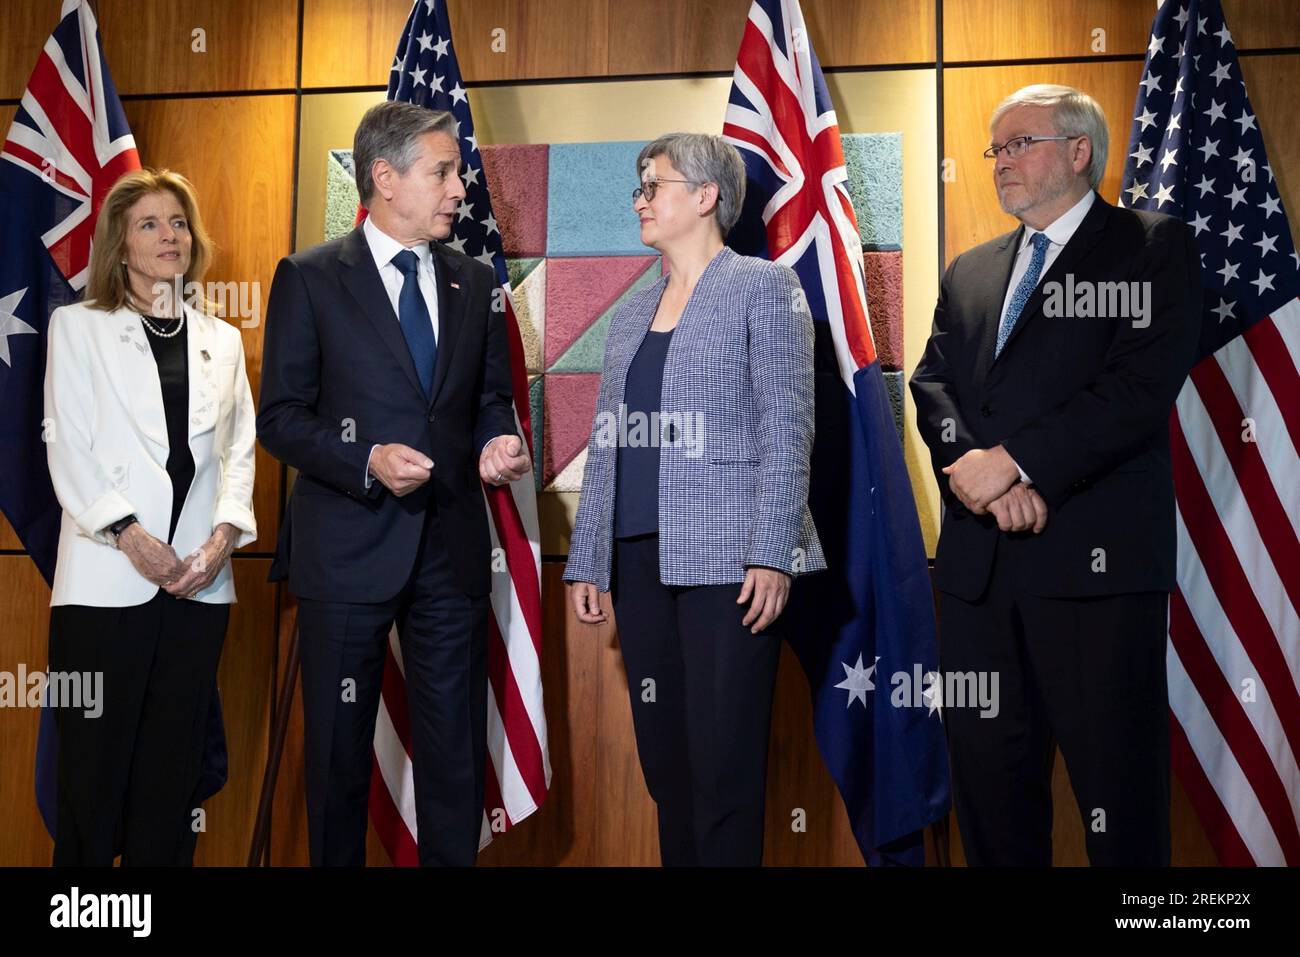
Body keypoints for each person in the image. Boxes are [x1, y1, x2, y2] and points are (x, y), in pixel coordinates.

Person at [910, 84, 1201, 866]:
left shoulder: (1150, 245)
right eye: (995, 149)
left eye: (1021, 144)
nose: (1001, 163)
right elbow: (931, 385)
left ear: (1080, 152)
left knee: (1120, 799)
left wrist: (1013, 463)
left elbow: (1136, 390)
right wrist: (975, 474)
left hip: (1095, 574)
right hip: (977, 578)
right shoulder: (971, 271)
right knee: (992, 799)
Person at [257, 101, 529, 867]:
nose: (459, 190)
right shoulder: (309, 278)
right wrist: (366, 458)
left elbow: (485, 401)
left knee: (453, 761)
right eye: (443, 172)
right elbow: (279, 418)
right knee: (339, 761)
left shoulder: (473, 283)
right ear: (384, 176)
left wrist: (495, 443)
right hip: (345, 553)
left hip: (450, 555)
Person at [564, 132, 825, 866]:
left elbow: (788, 426)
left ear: (707, 196)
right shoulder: (629, 313)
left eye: (655, 185)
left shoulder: (763, 286)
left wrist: (774, 552)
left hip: (731, 566)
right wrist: (589, 558)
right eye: (638, 187)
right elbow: (609, 441)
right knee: (668, 772)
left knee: (723, 775)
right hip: (640, 565)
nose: (641, 199)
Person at [43, 168, 257, 865]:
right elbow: (68, 444)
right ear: (120, 245)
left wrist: (223, 538)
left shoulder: (221, 339)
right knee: (91, 787)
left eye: (179, 223)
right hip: (108, 586)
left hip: (197, 588)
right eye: (150, 224)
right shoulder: (77, 327)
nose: (170, 236)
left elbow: (240, 453)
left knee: (171, 786)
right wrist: (132, 538)